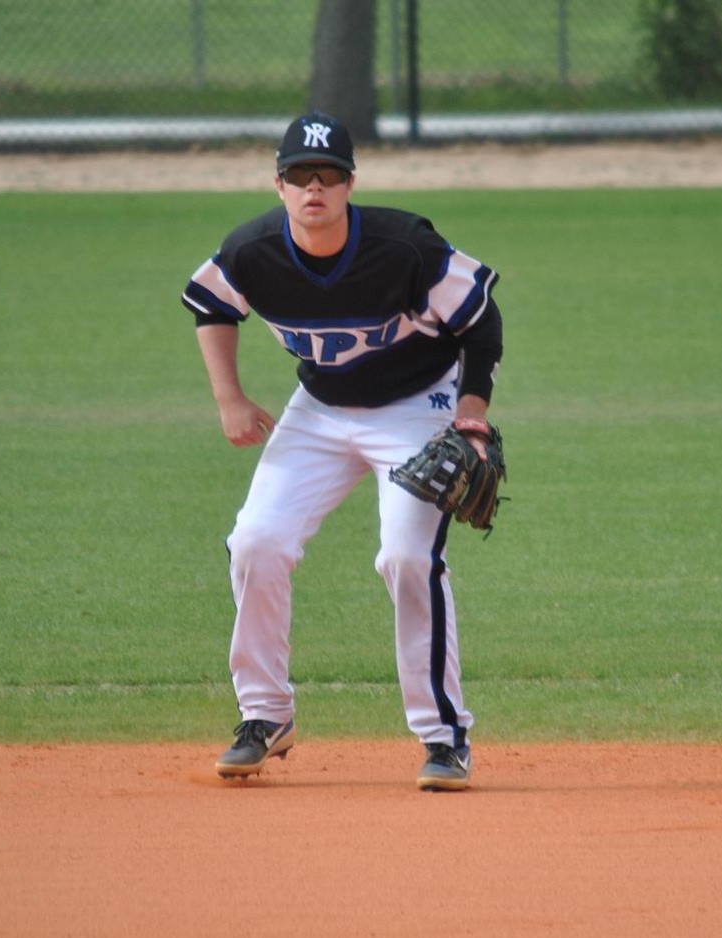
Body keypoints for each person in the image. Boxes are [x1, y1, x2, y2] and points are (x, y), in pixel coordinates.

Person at [181, 112, 504, 792]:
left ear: (351, 183)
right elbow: (211, 304)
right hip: (320, 411)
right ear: (279, 185)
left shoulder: (402, 246)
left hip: (419, 407)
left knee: (407, 557)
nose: (314, 189)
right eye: (301, 175)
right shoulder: (252, 251)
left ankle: (444, 739)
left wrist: (471, 415)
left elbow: (479, 321)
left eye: (328, 176)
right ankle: (264, 717)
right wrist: (229, 400)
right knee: (256, 542)